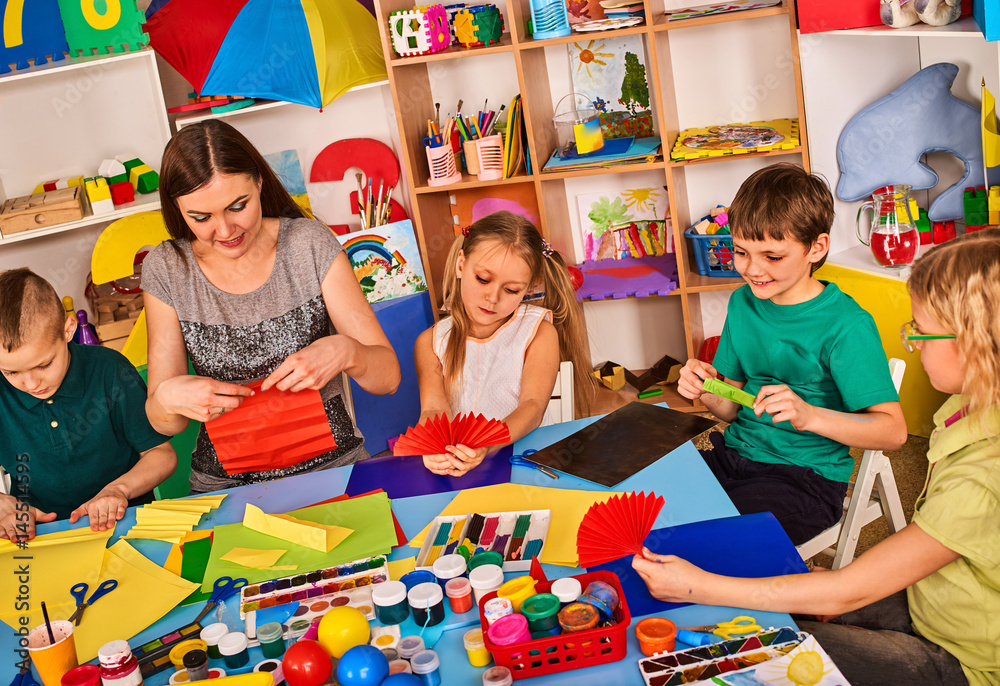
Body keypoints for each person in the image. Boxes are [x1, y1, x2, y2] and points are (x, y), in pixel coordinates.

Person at [633, 229, 1000, 686]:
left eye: (921, 331)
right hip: (936, 600)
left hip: (964, 660)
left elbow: (843, 594)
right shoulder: (968, 409)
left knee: (753, 649)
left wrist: (696, 586)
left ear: (977, 343)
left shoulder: (982, 477)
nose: (913, 341)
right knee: (771, 606)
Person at [143, 120, 399, 492]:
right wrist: (167, 398)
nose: (226, 230)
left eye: (238, 206)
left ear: (259, 183)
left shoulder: (308, 244)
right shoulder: (167, 268)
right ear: (178, 210)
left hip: (335, 475)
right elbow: (165, 422)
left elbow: (389, 378)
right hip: (225, 489)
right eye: (201, 218)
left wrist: (347, 352)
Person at [677, 163, 907, 544]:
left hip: (804, 478)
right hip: (733, 456)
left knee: (716, 541)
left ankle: (797, 596)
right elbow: (730, 409)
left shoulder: (846, 325)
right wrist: (705, 389)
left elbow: (895, 432)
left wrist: (809, 414)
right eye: (740, 252)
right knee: (643, 502)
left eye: (772, 256)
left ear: (816, 247)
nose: (752, 270)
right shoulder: (743, 304)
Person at [0, 269, 176, 540]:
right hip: (41, 535)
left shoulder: (110, 371)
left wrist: (118, 490)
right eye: (11, 373)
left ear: (68, 330)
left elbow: (161, 454)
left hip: (130, 523)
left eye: (44, 364)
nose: (32, 383)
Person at [414, 211, 592, 477]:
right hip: (464, 467)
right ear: (461, 264)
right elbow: (433, 409)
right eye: (483, 279)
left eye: (511, 290)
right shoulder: (430, 342)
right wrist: (434, 444)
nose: (492, 298)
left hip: (530, 460)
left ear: (528, 288)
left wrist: (488, 444)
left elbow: (532, 407)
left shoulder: (538, 333)